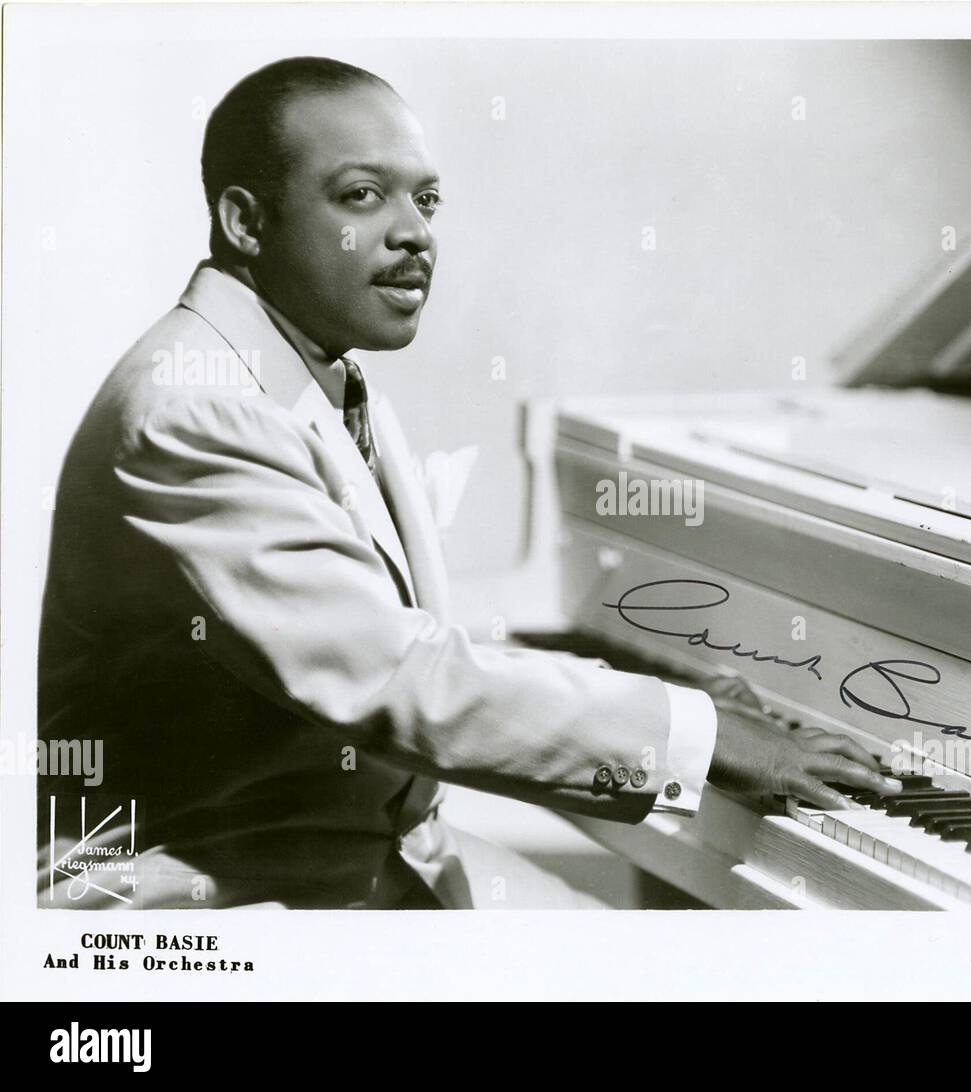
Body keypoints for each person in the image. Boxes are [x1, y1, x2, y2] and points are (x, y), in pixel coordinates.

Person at [36, 57, 897, 911]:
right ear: (246, 221)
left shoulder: (309, 367)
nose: (414, 232)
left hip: (348, 857)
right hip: (195, 901)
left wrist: (678, 703)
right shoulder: (195, 409)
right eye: (362, 196)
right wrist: (702, 738)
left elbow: (405, 641)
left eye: (427, 200)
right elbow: (398, 682)